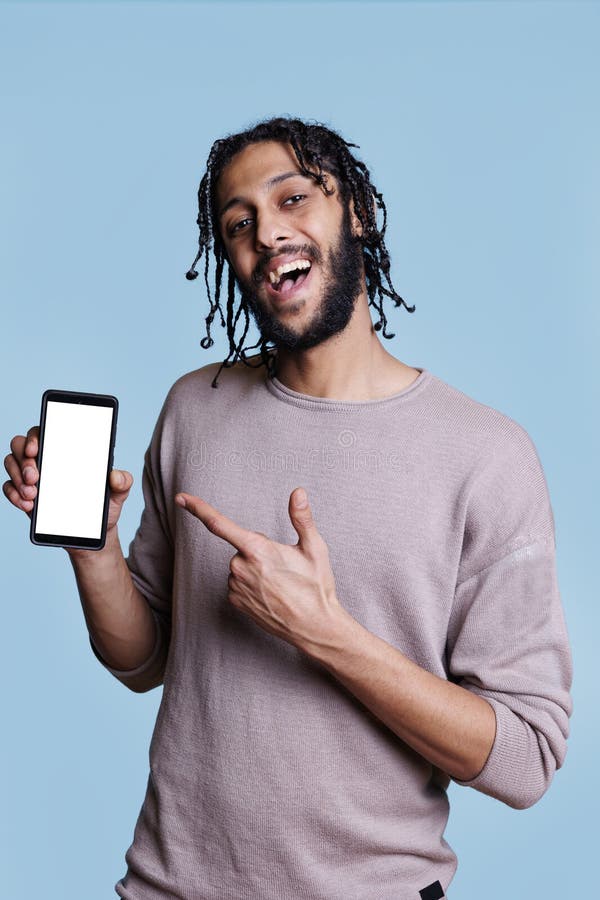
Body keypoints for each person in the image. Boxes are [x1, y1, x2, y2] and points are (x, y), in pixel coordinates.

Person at [4, 116, 573, 900]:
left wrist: (326, 633)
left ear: (357, 212)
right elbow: (144, 660)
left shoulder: (486, 456)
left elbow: (525, 761)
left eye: (293, 198)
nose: (267, 233)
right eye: (238, 224)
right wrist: (93, 548)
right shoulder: (195, 408)